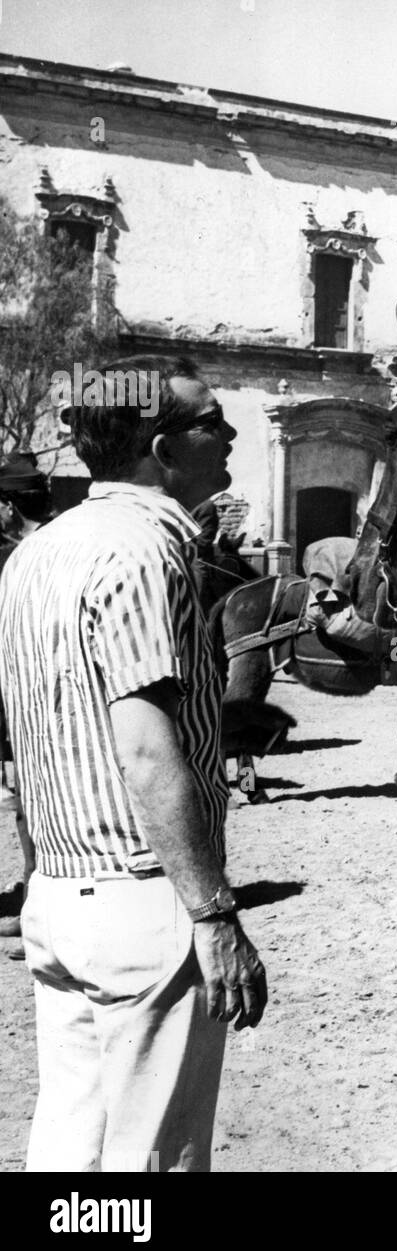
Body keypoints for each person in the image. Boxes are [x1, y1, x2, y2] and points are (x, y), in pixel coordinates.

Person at [0, 354, 267, 1171]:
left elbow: (32, 737)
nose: (227, 436)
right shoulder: (148, 553)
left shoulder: (35, 554)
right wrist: (215, 914)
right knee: (151, 1165)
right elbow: (147, 748)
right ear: (161, 446)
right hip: (143, 903)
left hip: (59, 898)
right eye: (210, 422)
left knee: (71, 1150)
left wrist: (39, 878)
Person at [0, 453, 54, 947]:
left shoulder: (24, 556)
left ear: (9, 506)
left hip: (37, 708)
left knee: (34, 808)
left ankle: (41, 915)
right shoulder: (63, 540)